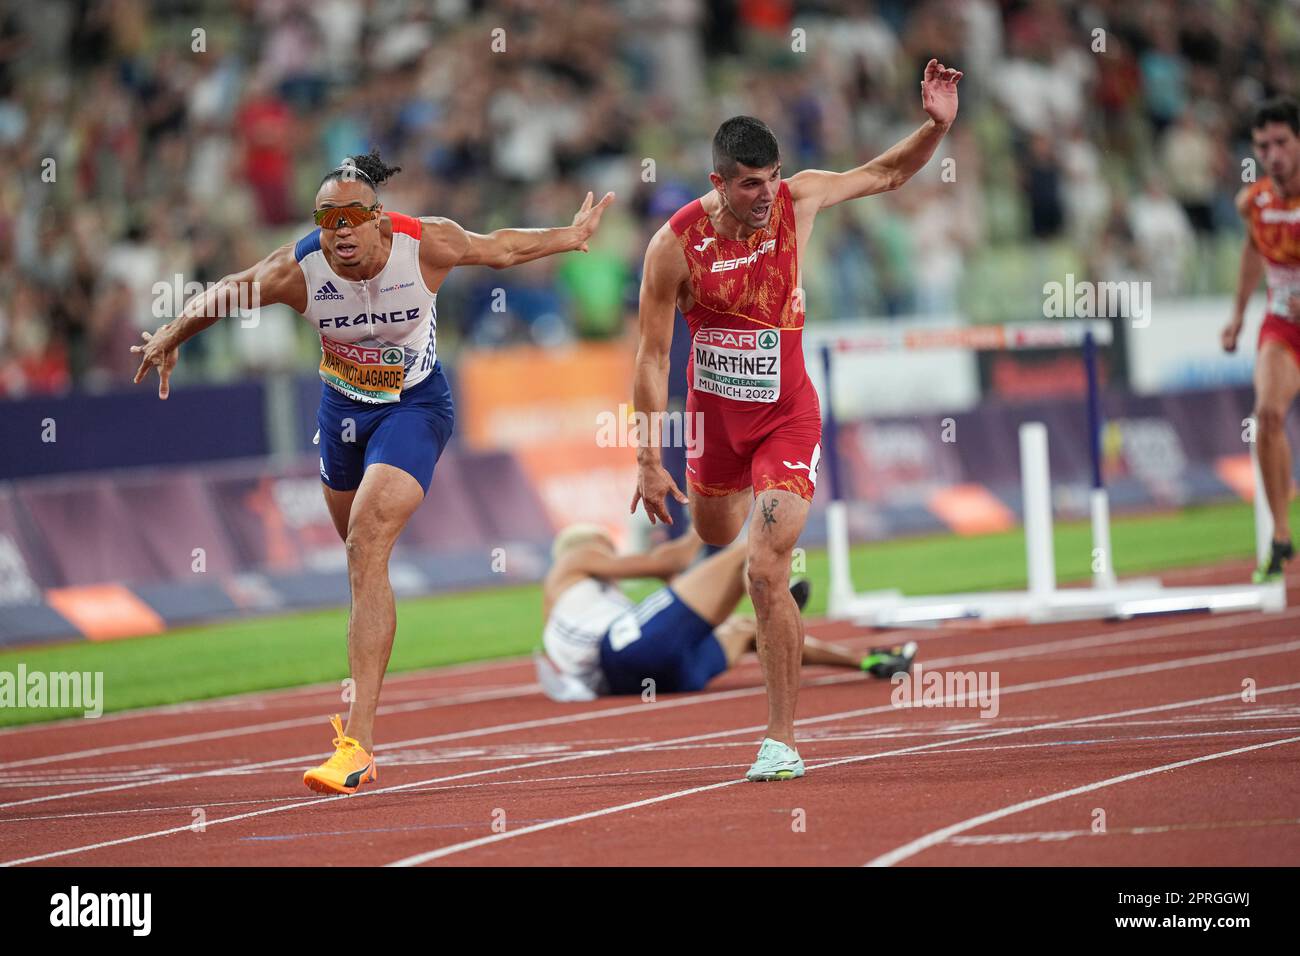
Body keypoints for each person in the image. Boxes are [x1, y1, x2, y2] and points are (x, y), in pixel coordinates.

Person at [132, 149, 613, 794]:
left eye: (352, 217)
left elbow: (499, 248)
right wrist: (172, 335)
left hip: (415, 407)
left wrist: (569, 234)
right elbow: (230, 291)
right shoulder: (298, 269)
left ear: (379, 220)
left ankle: (356, 743)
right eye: (326, 219)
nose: (339, 230)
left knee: (365, 540)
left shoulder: (426, 244)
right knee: (361, 561)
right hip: (342, 416)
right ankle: (369, 655)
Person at [630, 59, 961, 780]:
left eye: (771, 177)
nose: (765, 194)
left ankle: (780, 739)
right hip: (716, 426)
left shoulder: (798, 201)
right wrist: (648, 458)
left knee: (765, 565)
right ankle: (743, 513)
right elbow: (653, 358)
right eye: (749, 183)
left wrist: (934, 126)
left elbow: (887, 174)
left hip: (787, 416)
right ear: (719, 183)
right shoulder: (674, 247)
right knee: (715, 533)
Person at [536, 523, 916, 745]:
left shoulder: (586, 599)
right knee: (744, 550)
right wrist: (713, 518)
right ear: (588, 548)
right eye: (607, 552)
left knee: (745, 630)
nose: (613, 560)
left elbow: (675, 584)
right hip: (624, 650)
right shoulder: (573, 560)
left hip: (653, 672)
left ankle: (871, 659)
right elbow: (671, 561)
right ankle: (773, 599)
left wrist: (676, 574)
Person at [1222, 97, 1300, 582]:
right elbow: (1253, 251)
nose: (1272, 153)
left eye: (1282, 142)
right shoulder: (1254, 203)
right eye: (1263, 145)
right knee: (1266, 416)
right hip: (1283, 326)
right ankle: (1280, 536)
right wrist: (1236, 315)